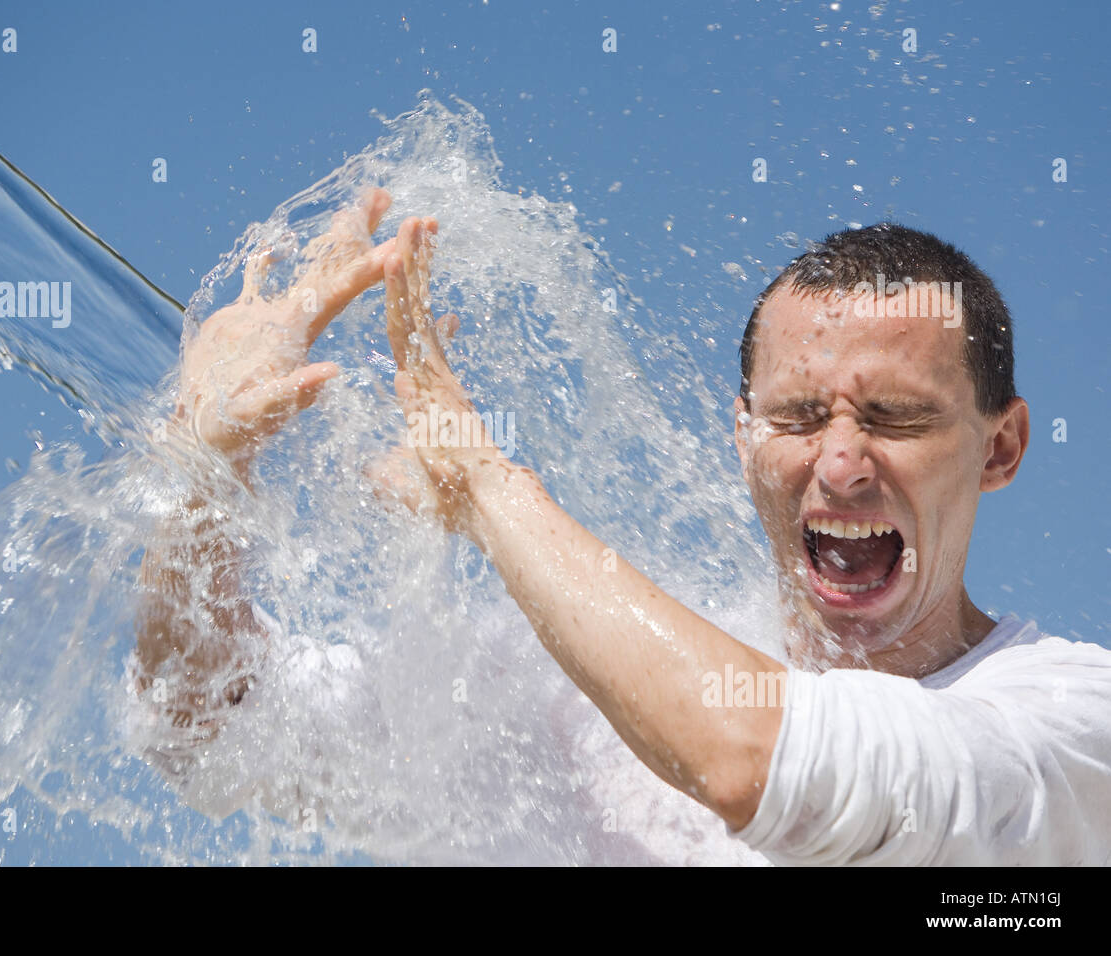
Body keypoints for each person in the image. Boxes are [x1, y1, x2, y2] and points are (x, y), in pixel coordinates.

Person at [135, 189, 1111, 865]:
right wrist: (202, 479)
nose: (843, 463)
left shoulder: (1072, 723)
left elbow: (759, 768)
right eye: (798, 418)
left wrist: (481, 483)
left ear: (999, 447)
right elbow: (210, 725)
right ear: (741, 438)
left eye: (896, 417)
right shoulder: (558, 686)